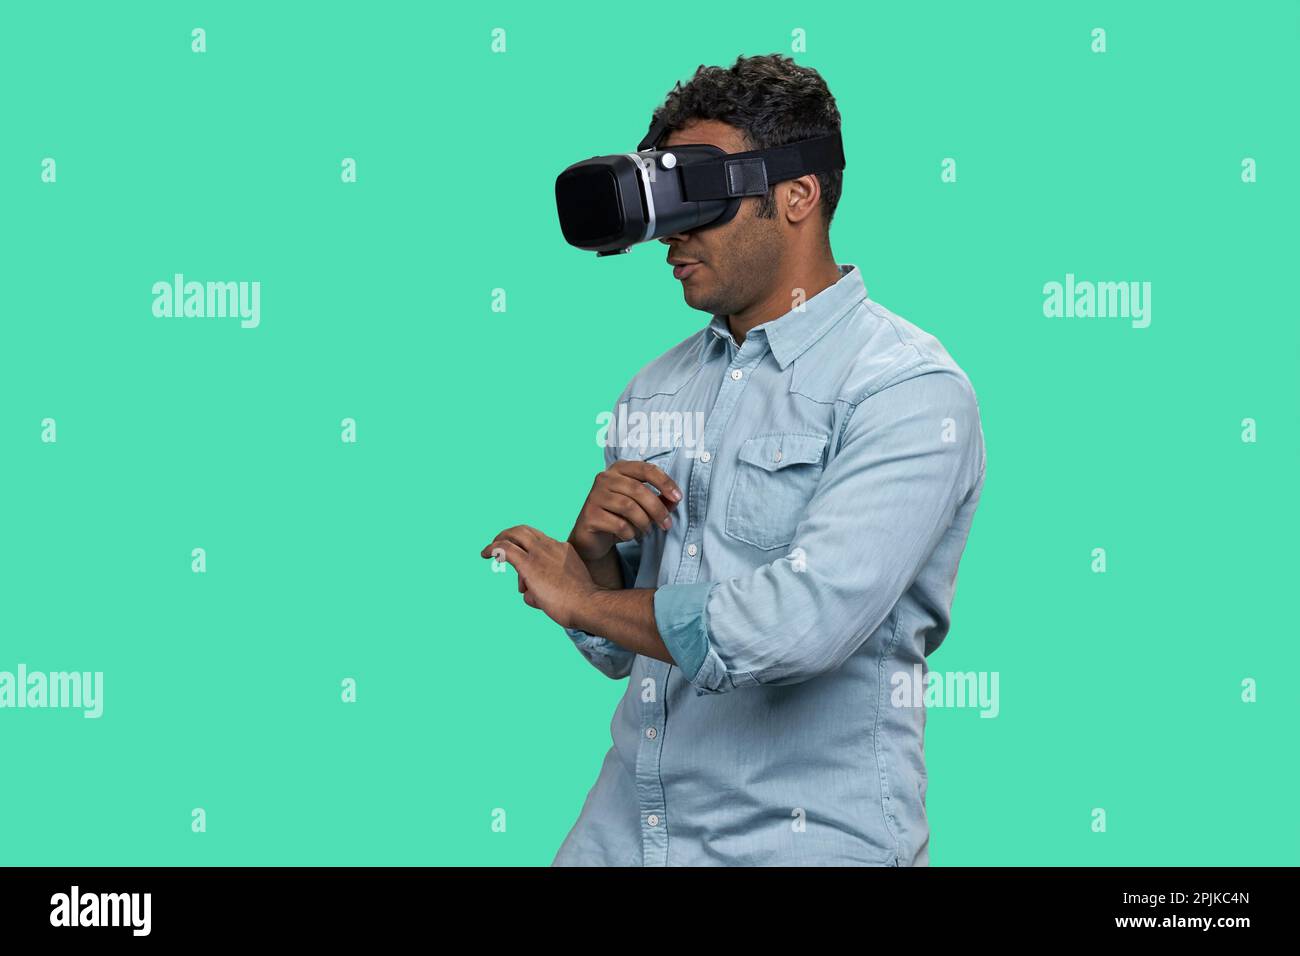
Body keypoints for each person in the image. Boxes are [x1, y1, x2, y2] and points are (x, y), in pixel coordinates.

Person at [481, 53, 986, 866]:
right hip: (625, 838)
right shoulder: (653, 389)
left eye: (699, 199)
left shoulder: (905, 390)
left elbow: (798, 628)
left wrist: (581, 601)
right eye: (663, 204)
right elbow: (621, 649)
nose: (672, 235)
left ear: (798, 194)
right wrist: (597, 559)